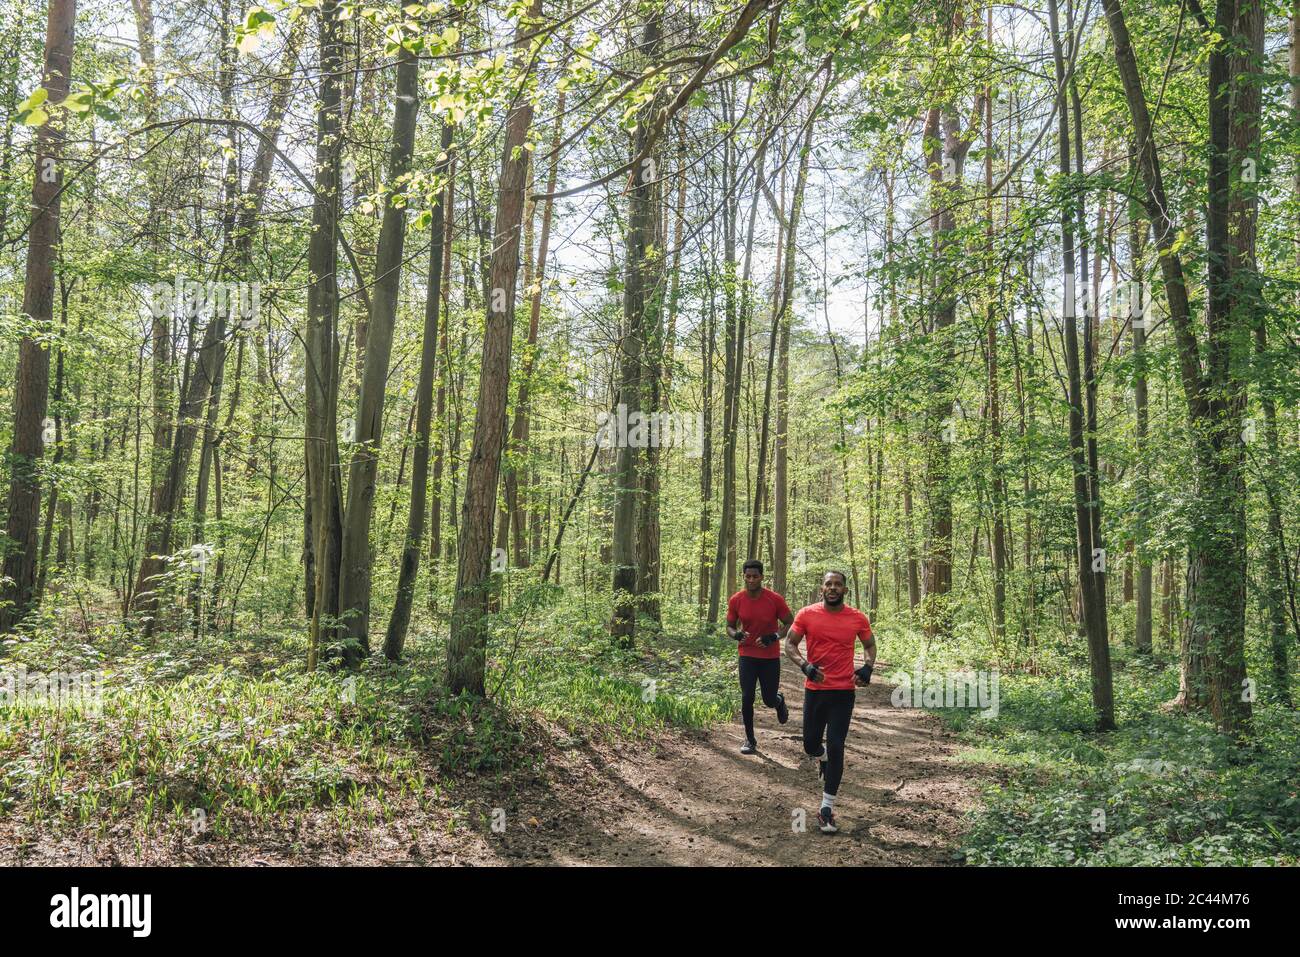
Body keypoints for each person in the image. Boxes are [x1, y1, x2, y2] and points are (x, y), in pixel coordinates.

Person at [783, 569, 875, 833]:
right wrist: (805, 666)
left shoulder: (857, 618)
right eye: (828, 584)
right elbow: (789, 645)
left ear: (845, 590)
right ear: (822, 588)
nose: (833, 588)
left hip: (843, 692)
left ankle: (826, 809)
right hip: (815, 690)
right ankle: (821, 756)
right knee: (810, 744)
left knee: (836, 745)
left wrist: (868, 667)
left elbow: (869, 646)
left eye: (837, 584)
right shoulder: (806, 614)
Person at [726, 559, 794, 754]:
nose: (751, 580)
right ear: (744, 577)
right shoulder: (736, 600)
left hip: (770, 657)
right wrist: (736, 635)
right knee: (747, 696)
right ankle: (750, 739)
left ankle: (778, 701)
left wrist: (773, 637)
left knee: (768, 699)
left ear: (762, 577)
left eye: (755, 576)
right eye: (748, 576)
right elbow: (729, 626)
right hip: (747, 654)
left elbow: (790, 622)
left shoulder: (774, 599)